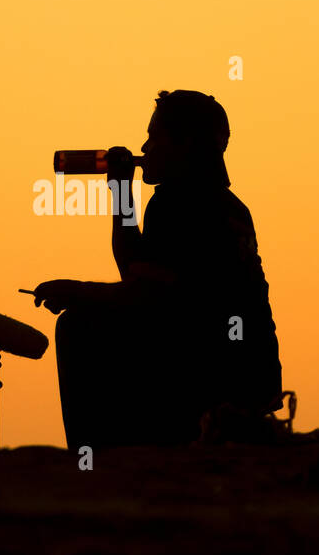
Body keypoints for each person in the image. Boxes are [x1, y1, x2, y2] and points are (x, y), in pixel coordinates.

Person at [33, 90, 283, 448]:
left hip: (211, 377)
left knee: (78, 327)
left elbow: (142, 295)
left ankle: (96, 460)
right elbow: (139, 271)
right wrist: (121, 189)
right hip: (253, 379)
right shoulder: (229, 207)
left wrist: (76, 291)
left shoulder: (176, 202)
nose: (144, 147)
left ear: (184, 143)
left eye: (153, 136)